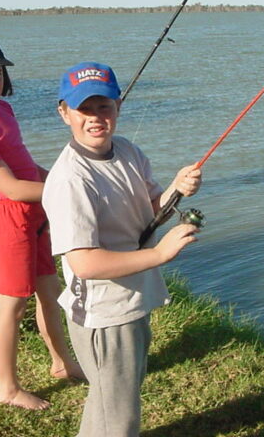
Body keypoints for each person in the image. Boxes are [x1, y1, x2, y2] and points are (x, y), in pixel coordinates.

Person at [41, 61, 202, 436]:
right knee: (120, 418)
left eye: (104, 106)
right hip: (105, 314)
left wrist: (177, 189)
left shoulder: (127, 151)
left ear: (118, 108)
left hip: (132, 301)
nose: (95, 118)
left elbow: (148, 209)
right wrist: (161, 255)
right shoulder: (70, 180)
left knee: (110, 399)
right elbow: (84, 263)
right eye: (84, 108)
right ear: (64, 112)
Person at [0, 34, 83, 411]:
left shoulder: (2, 111)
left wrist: (60, 179)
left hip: (34, 212)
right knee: (13, 305)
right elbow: (7, 185)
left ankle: (62, 362)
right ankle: (6, 387)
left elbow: (25, 165)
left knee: (49, 291)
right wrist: (62, 193)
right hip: (6, 217)